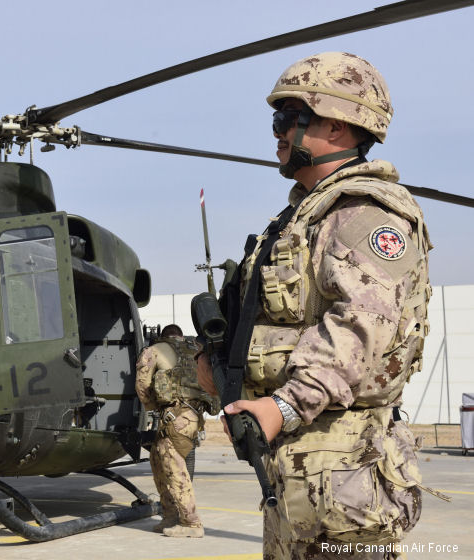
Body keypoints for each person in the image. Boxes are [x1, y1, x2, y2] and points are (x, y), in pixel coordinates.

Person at [196, 52, 432, 559]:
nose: (277, 133)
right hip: (302, 471)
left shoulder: (363, 214)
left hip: (345, 475)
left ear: (339, 125)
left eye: (289, 119)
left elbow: (360, 329)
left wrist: (283, 405)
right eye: (277, 119)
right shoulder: (302, 216)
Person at [136, 324, 220, 537]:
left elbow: (142, 385)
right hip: (193, 415)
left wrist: (152, 406)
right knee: (157, 459)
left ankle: (190, 523)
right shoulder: (196, 349)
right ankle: (171, 515)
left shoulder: (153, 350)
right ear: (181, 336)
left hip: (175, 417)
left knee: (173, 467)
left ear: (163, 337)